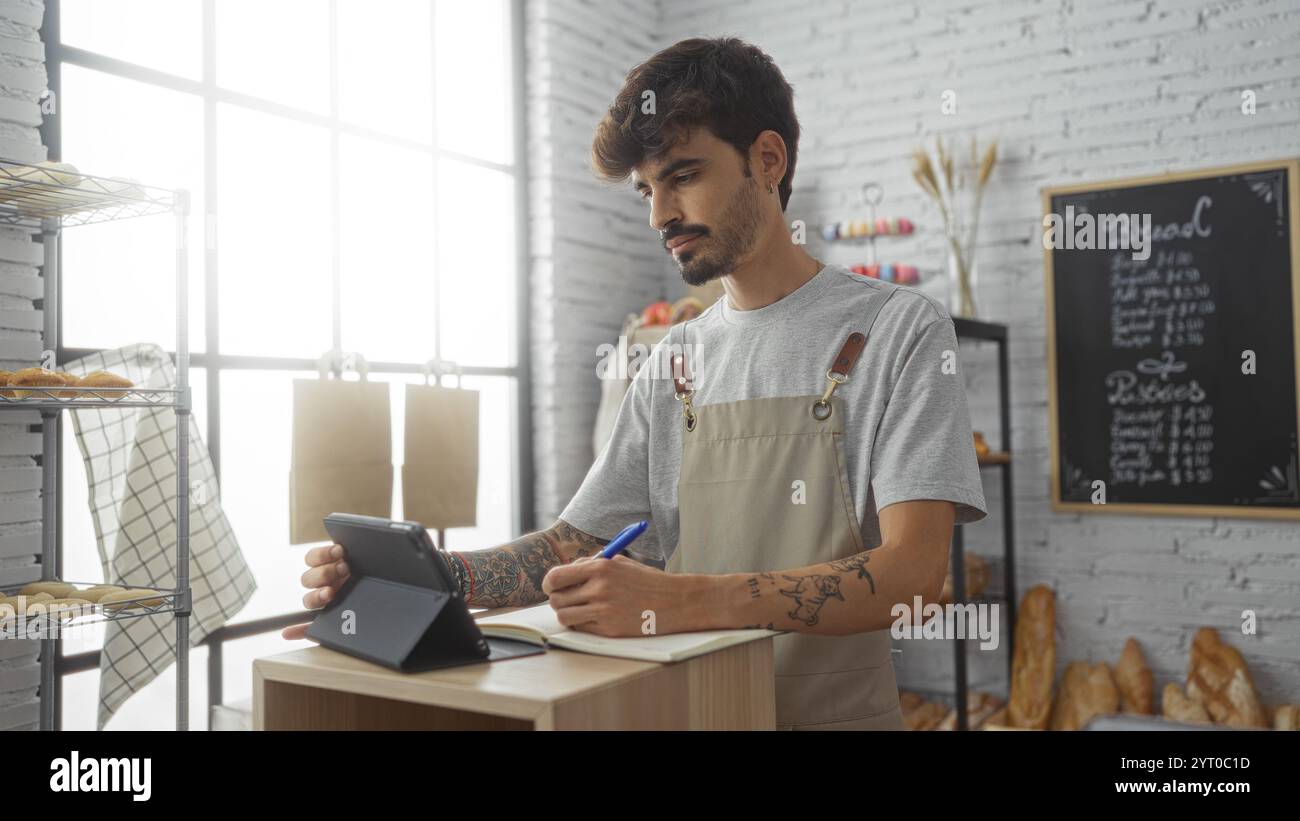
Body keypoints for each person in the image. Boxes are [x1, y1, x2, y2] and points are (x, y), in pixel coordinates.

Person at [287, 36, 988, 730]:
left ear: (767, 159)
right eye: (648, 191)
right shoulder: (672, 358)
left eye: (683, 176)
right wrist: (422, 577)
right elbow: (574, 545)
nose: (660, 216)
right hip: (688, 713)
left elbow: (912, 579)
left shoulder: (900, 330)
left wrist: (680, 600)